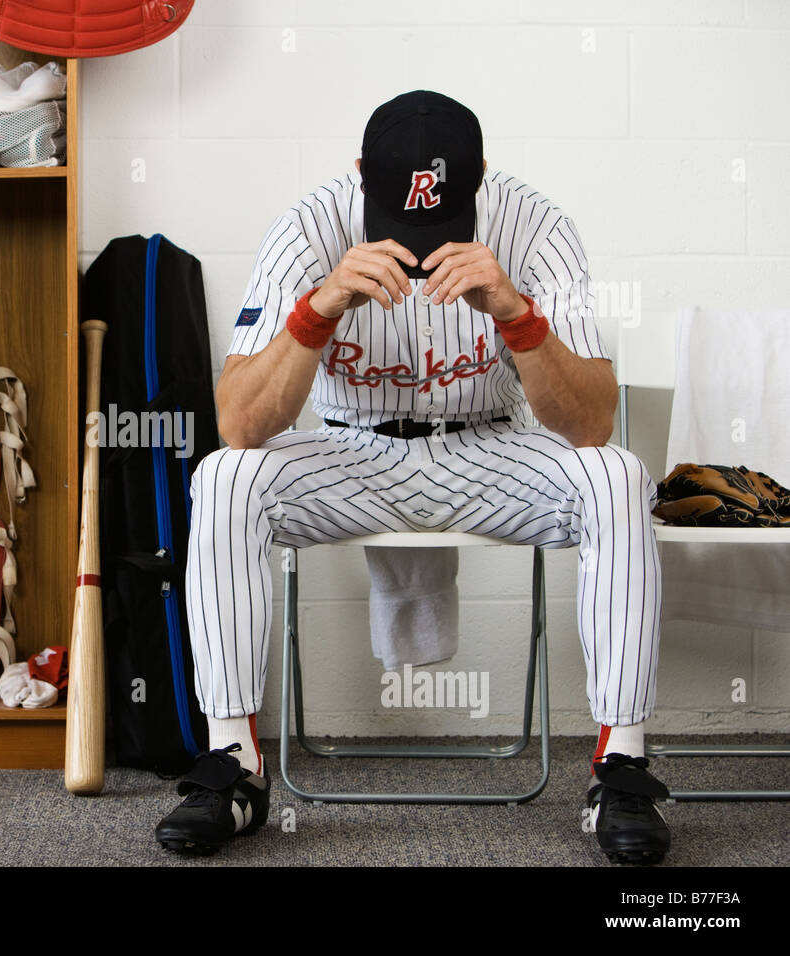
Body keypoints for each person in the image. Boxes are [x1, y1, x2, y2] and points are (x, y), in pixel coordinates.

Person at [154, 90, 670, 865]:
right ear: (362, 176)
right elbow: (240, 422)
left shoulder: (535, 224)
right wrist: (318, 306)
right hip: (349, 450)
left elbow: (590, 423)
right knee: (227, 476)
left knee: (618, 475)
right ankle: (234, 766)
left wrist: (515, 311)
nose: (424, 244)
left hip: (490, 448)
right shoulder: (311, 223)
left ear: (480, 178)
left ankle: (622, 766)